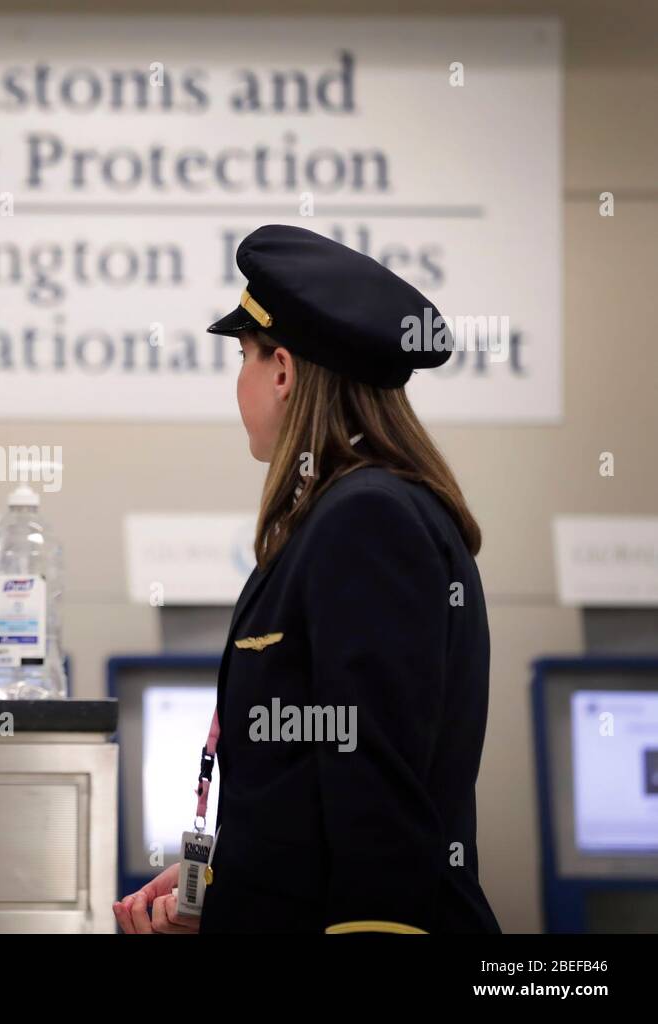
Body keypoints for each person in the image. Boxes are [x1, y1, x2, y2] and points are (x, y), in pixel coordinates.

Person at [113, 224, 500, 934]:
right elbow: (311, 795)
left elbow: (379, 802)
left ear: (283, 371)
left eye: (243, 356)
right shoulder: (345, 514)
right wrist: (223, 887)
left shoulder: (367, 522)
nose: (241, 381)